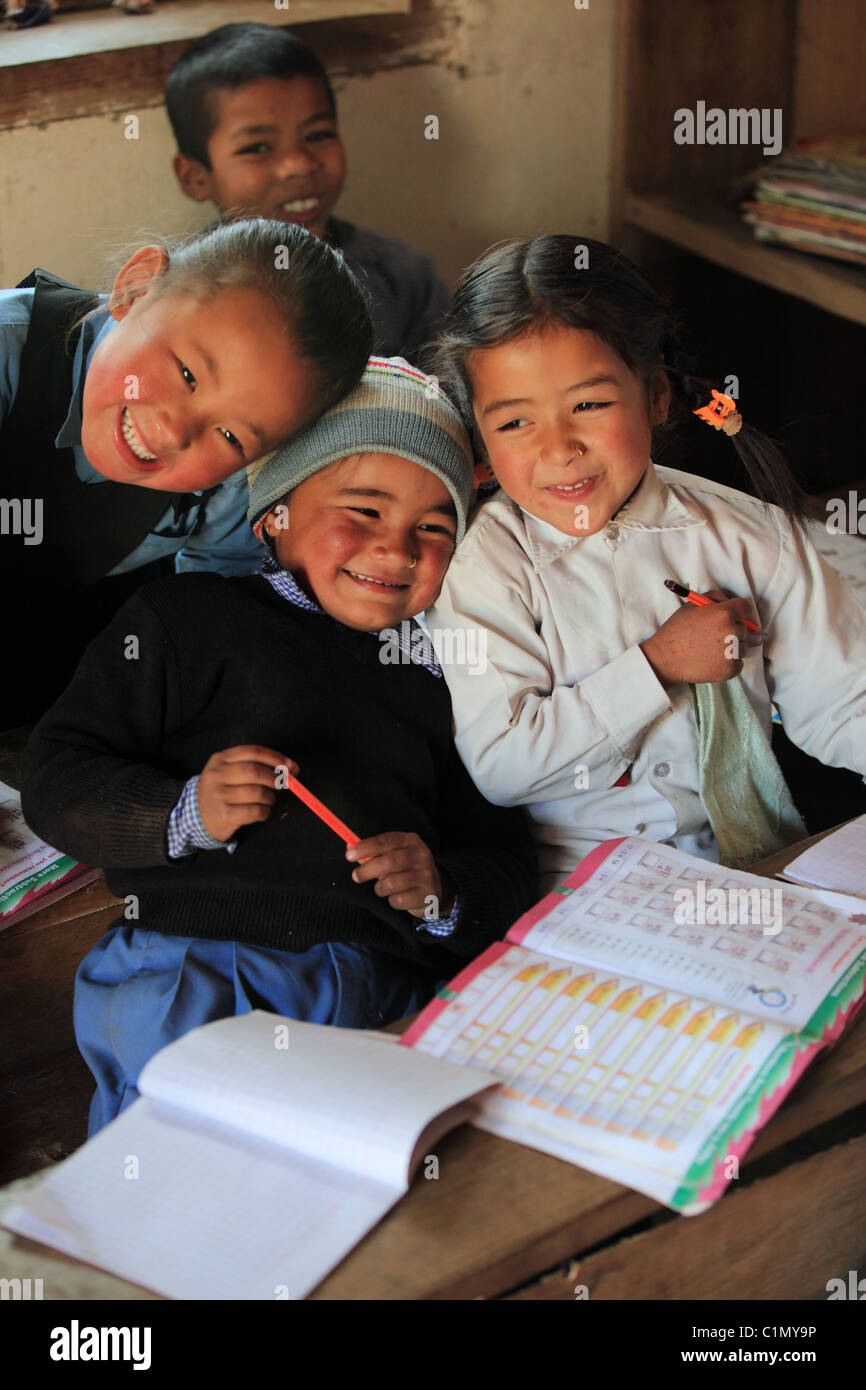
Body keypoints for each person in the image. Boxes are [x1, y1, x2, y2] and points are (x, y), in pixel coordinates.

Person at [20, 358, 537, 1134]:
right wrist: (185, 809)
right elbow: (57, 775)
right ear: (276, 515)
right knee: (169, 1178)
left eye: (435, 527)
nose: (397, 551)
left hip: (377, 986)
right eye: (362, 510)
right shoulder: (183, 620)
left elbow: (505, 849)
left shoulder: (453, 673)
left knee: (364, 1195)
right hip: (191, 966)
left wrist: (443, 892)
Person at [425, 234, 866, 893]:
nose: (559, 448)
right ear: (481, 432)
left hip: (756, 870)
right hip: (584, 893)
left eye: (589, 405)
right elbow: (503, 764)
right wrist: (656, 665)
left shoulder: (750, 535)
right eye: (516, 423)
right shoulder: (485, 569)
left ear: (656, 396)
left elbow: (841, 703)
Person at [0, 218, 371, 727]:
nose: (175, 433)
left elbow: (204, 623)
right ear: (136, 288)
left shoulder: (231, 484)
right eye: (188, 374)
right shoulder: (7, 350)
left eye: (232, 437)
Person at [166, 22, 451, 365]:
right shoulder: (177, 298)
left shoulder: (404, 279)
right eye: (257, 147)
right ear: (196, 178)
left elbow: (448, 400)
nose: (299, 165)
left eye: (317, 135)